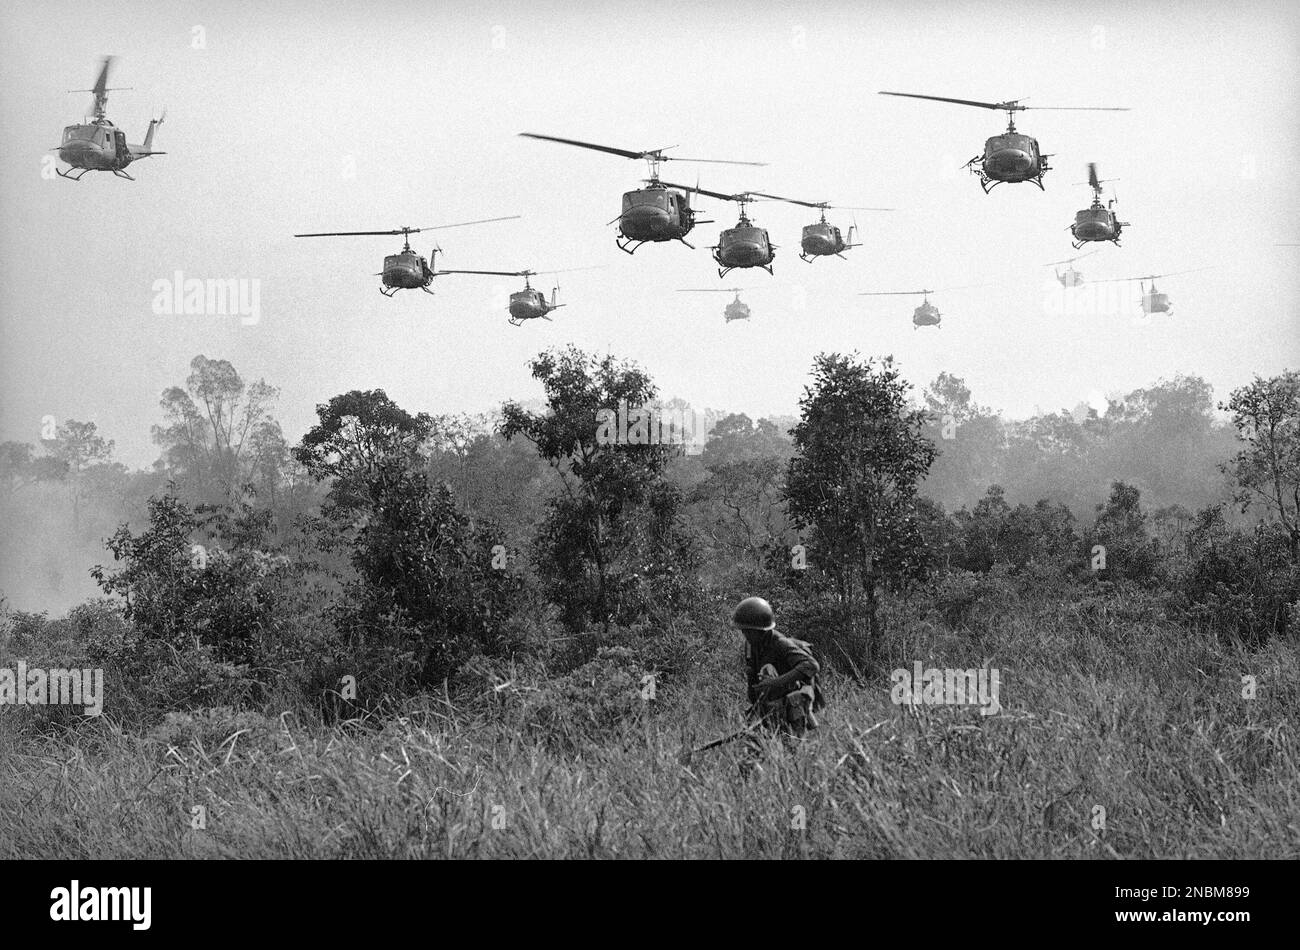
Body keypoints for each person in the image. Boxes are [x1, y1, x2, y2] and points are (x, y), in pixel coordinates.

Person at [732, 596, 824, 740]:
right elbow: (754, 680)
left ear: (761, 630)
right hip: (770, 709)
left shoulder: (781, 644)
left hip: (791, 709)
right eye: (743, 631)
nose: (745, 635)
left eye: (748, 631)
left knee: (792, 749)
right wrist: (754, 709)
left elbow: (811, 665)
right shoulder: (751, 646)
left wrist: (775, 682)